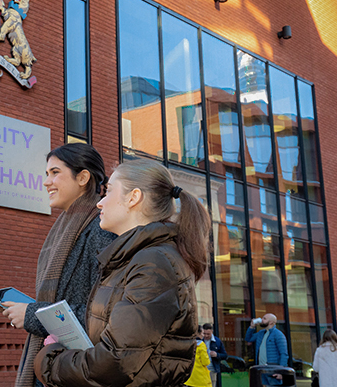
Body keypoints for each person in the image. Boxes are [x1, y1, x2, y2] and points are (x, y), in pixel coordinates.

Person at [33, 159, 211, 386]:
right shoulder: (135, 259)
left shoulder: (153, 263)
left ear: (133, 197)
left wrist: (49, 359)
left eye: (108, 192)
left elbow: (113, 363)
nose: (100, 203)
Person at [0, 143, 116, 387]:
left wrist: (32, 315)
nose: (46, 182)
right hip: (57, 363)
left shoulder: (101, 230)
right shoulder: (64, 228)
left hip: (77, 369)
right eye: (46, 174)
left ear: (83, 177)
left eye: (55, 173)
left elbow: (105, 314)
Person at [245, 314, 289, 385]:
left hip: (273, 370)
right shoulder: (261, 333)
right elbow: (248, 339)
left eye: (264, 318)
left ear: (271, 322)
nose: (261, 320)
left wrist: (281, 372)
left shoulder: (278, 334)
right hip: (261, 369)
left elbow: (283, 354)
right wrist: (252, 327)